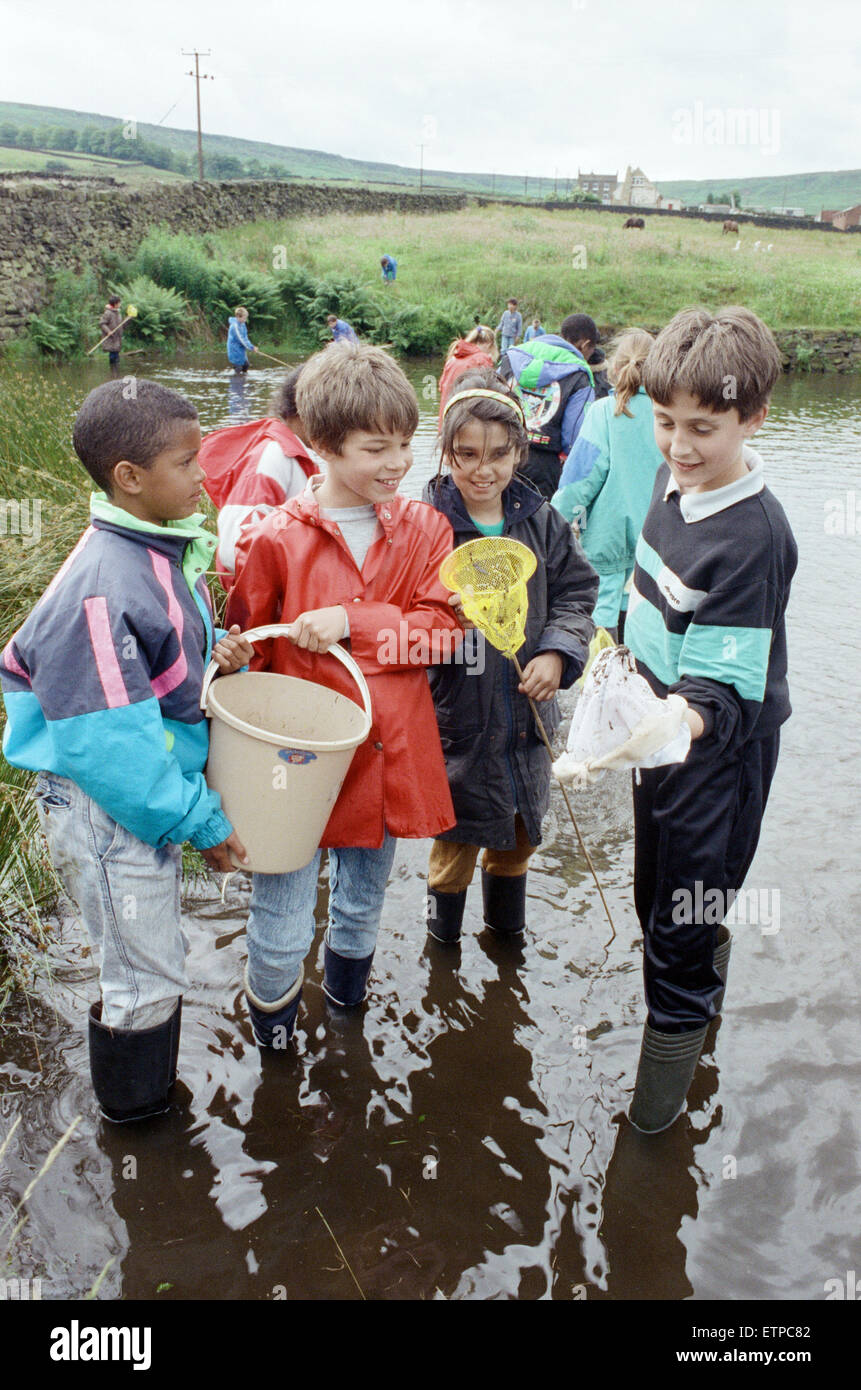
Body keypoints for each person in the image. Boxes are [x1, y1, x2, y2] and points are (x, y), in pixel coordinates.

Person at [0, 380, 253, 1123]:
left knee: (142, 959)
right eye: (187, 461)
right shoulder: (105, 584)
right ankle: (138, 1131)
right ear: (129, 478)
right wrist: (199, 820)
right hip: (107, 806)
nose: (203, 474)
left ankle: (138, 1121)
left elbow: (151, 673)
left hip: (129, 798)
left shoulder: (149, 549)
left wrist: (214, 659)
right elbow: (113, 747)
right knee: (145, 974)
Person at [224, 343, 462, 1045]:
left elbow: (443, 632)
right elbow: (249, 647)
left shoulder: (426, 529)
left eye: (405, 445)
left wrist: (351, 623)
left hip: (385, 753)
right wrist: (232, 654)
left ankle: (345, 1016)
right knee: (281, 910)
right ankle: (274, 1036)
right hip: (297, 763)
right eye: (374, 448)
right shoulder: (275, 538)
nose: (396, 463)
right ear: (322, 445)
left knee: (362, 900)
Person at [621, 306, 798, 1133]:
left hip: (711, 752)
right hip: (656, 734)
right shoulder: (673, 480)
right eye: (664, 423)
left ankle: (651, 1135)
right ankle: (701, 1014)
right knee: (653, 894)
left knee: (679, 925)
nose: (679, 446)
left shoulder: (753, 537)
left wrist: (661, 725)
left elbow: (719, 698)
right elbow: (650, 593)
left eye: (703, 427)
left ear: (752, 416)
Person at [422, 370, 598, 944]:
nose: (483, 469)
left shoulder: (540, 521)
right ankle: (441, 947)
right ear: (446, 452)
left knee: (518, 834)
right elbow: (401, 616)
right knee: (454, 843)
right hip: (457, 724)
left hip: (528, 723)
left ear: (520, 451)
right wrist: (442, 616)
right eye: (466, 454)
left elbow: (577, 592)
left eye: (499, 454)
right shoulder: (427, 528)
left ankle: (507, 940)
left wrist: (557, 652)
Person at [551, 330, 665, 639]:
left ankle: (600, 674)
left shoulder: (603, 411)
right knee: (646, 609)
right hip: (658, 537)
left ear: (613, 368)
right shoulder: (669, 417)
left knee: (601, 611)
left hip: (607, 535)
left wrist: (555, 523)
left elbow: (581, 480)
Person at [199, 365, 318, 588]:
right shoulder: (274, 457)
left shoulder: (293, 454)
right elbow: (233, 549)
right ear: (305, 410)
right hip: (264, 605)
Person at [497, 312, 598, 501]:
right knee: (538, 525)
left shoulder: (512, 356)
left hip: (501, 454)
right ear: (585, 345)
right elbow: (574, 437)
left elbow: (489, 402)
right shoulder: (579, 375)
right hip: (544, 466)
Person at [437, 325, 497, 423]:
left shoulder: (452, 359)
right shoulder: (482, 359)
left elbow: (441, 387)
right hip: (467, 420)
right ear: (489, 344)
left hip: (446, 417)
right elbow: (490, 391)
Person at [227, 306, 258, 372]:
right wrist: (252, 348)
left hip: (241, 350)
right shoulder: (234, 326)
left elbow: (245, 337)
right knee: (239, 368)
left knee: (246, 365)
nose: (245, 320)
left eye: (246, 318)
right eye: (244, 318)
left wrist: (251, 346)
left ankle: (243, 380)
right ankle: (236, 380)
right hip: (234, 350)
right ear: (238, 316)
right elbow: (241, 340)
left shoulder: (243, 324)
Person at [99, 295, 124, 368]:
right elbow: (102, 323)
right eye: (119, 303)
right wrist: (108, 331)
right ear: (115, 304)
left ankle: (115, 371)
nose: (120, 304)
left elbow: (121, 325)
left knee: (116, 354)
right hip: (111, 338)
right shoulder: (108, 313)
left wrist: (129, 319)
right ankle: (113, 370)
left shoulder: (118, 313)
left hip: (117, 337)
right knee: (113, 354)